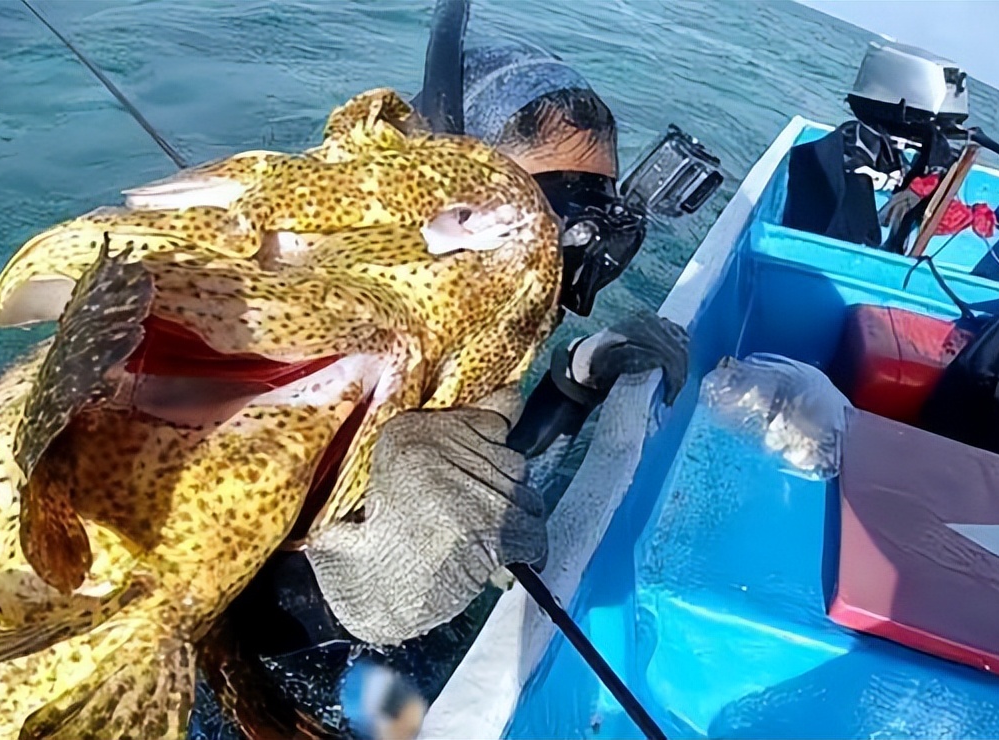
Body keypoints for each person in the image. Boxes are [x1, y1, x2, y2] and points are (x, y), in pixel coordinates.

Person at [189, 5, 712, 737]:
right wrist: (347, 589)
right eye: (548, 226)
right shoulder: (291, 321)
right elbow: (178, 549)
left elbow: (471, 471)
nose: (558, 275)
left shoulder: (475, 337)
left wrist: (571, 388)